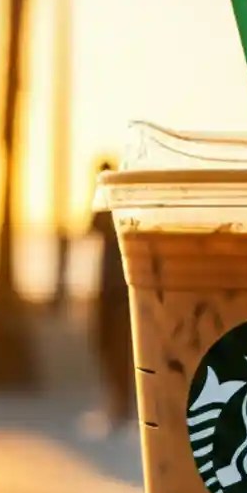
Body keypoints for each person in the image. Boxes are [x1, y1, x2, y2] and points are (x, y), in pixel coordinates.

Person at [90, 158, 134, 431]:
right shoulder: (106, 206)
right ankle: (117, 403)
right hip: (109, 288)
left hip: (116, 290)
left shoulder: (115, 206)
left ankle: (121, 405)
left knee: (117, 348)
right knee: (107, 346)